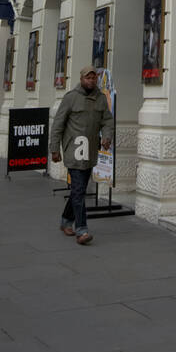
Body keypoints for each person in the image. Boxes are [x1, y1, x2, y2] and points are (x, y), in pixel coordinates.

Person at [49, 66, 113, 245]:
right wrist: (54, 149)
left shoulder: (100, 99)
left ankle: (65, 221)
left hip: (90, 151)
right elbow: (58, 125)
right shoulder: (70, 98)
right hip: (74, 151)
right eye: (88, 78)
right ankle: (82, 230)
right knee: (78, 190)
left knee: (79, 190)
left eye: (93, 78)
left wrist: (107, 136)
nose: (91, 81)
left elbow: (107, 120)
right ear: (81, 79)